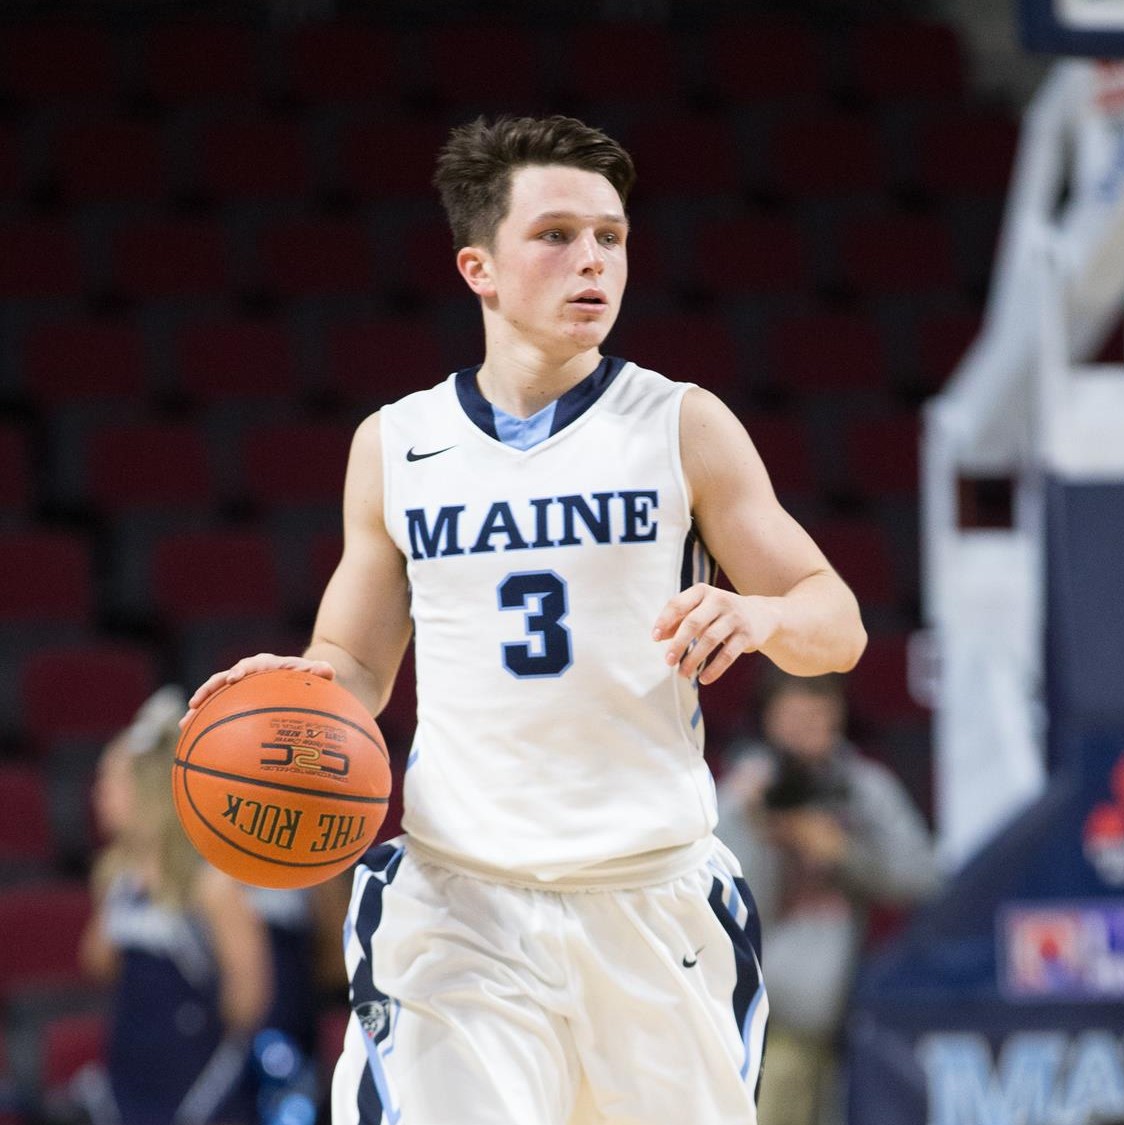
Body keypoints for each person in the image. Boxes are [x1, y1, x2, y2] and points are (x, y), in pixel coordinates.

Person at [182, 114, 867, 1125]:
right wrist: (293, 692)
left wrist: (759, 615)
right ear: (479, 268)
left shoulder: (682, 424)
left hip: (652, 899)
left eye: (611, 236)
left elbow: (836, 622)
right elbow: (355, 663)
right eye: (555, 235)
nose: (591, 258)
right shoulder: (397, 445)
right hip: (462, 902)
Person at [716, 668, 941, 1125]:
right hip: (765, 1028)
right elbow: (718, 903)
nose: (808, 728)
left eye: (820, 714)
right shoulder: (746, 792)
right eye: (796, 715)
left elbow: (924, 876)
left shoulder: (861, 787)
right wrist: (763, 829)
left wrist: (843, 853)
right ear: (770, 717)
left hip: (857, 1022)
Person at [80, 686, 273, 1125]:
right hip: (130, 1065)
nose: (99, 795)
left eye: (110, 781)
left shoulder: (213, 885)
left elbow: (248, 1000)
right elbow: (97, 966)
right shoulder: (118, 880)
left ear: (148, 791)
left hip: (201, 1076)